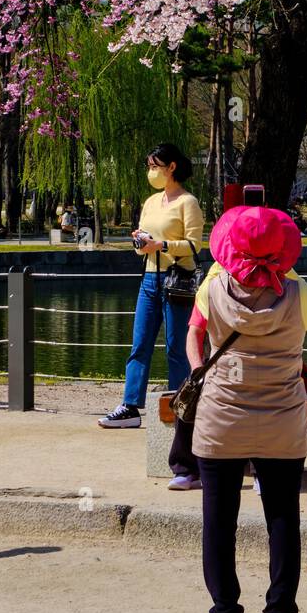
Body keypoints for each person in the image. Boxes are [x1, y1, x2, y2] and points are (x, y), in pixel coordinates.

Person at [187, 205, 307, 613]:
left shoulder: (211, 290)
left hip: (221, 419)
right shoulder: (299, 294)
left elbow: (194, 334)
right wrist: (286, 270)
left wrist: (199, 371)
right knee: (283, 518)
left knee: (218, 520)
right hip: (282, 421)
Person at [99, 143, 204, 429]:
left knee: (176, 348)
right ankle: (130, 406)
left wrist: (163, 245)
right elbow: (141, 244)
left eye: (155, 166)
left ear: (172, 167)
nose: (151, 171)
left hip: (178, 280)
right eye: (149, 166)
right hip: (149, 278)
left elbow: (195, 246)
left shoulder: (188, 202)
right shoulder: (150, 202)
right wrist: (141, 242)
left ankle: (179, 405)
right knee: (140, 344)